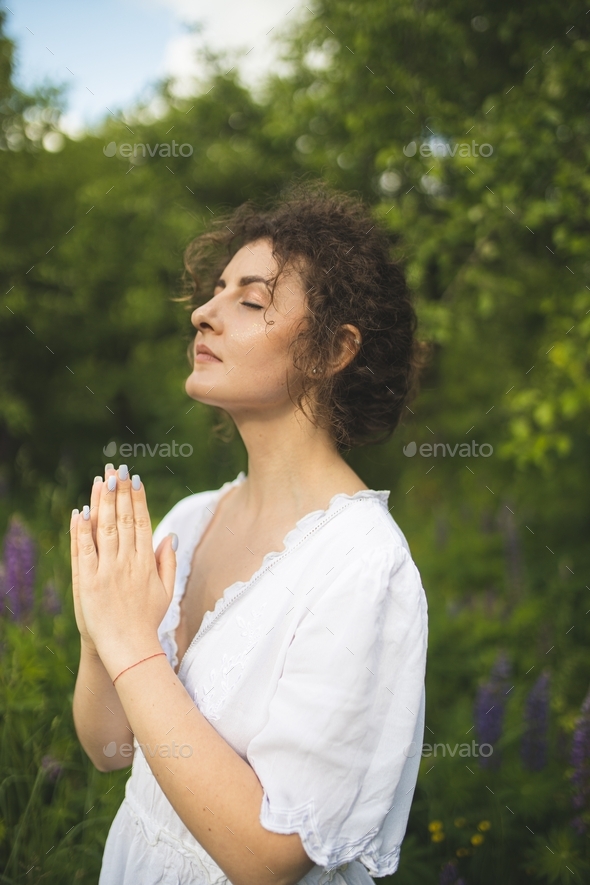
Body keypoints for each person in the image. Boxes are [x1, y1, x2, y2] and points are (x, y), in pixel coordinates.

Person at [71, 183, 429, 885]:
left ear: (334, 351)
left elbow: (271, 856)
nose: (205, 313)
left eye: (251, 300)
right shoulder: (191, 518)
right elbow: (111, 749)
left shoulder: (363, 564)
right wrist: (99, 629)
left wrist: (132, 646)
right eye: (214, 291)